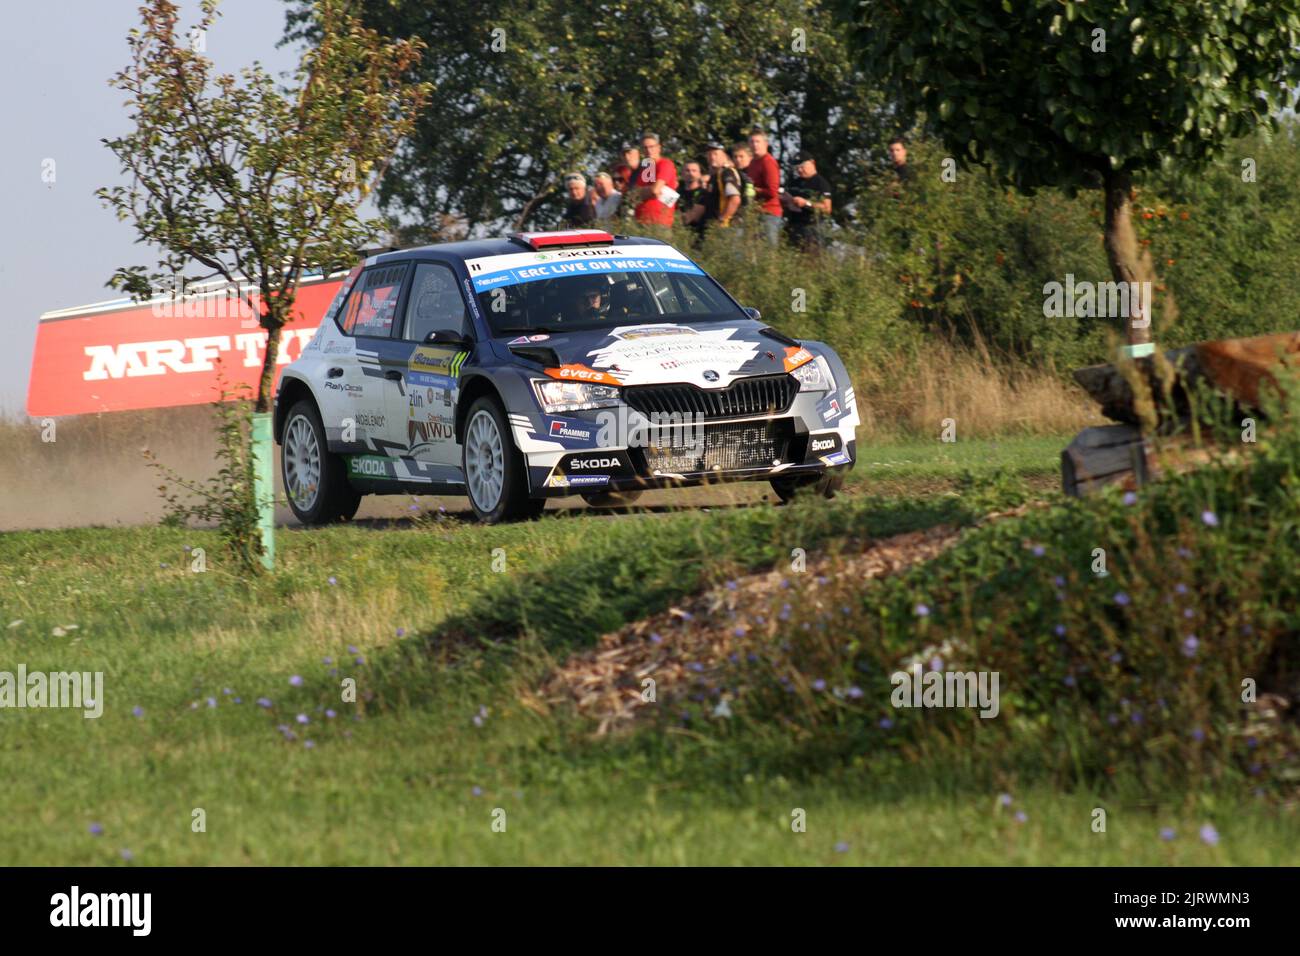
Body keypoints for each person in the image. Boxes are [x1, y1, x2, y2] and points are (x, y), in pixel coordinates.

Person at [682, 140, 741, 230]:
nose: (712, 157)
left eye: (715, 154)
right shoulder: (714, 177)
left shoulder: (726, 173)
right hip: (709, 228)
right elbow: (701, 206)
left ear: (724, 155)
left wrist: (721, 221)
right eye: (709, 154)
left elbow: (735, 199)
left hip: (725, 229)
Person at [782, 150, 832, 250]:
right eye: (797, 168)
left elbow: (827, 208)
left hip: (812, 228)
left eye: (802, 166)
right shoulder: (794, 182)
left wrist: (806, 203)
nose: (799, 170)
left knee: (811, 261)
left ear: (812, 163)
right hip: (793, 226)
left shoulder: (821, 183)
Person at [628, 132, 678, 227]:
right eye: (645, 148)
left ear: (659, 147)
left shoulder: (665, 164)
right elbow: (633, 195)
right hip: (641, 222)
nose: (649, 150)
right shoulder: (646, 168)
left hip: (660, 223)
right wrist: (648, 191)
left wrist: (645, 191)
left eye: (652, 147)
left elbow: (655, 190)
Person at [747, 129, 784, 244]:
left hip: (769, 213)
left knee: (769, 251)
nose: (755, 145)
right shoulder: (753, 162)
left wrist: (754, 190)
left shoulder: (768, 162)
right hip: (756, 212)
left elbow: (772, 191)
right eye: (752, 142)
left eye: (758, 142)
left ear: (765, 144)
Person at [677, 160, 708, 237]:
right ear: (682, 173)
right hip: (678, 234)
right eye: (687, 170)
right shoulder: (676, 192)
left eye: (694, 171)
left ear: (699, 174)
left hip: (697, 235)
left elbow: (693, 216)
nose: (691, 173)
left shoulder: (704, 193)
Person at [729, 142, 758, 207]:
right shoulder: (732, 173)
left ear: (750, 157)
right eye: (735, 157)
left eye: (741, 156)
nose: (738, 160)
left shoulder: (755, 172)